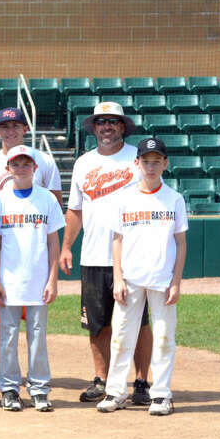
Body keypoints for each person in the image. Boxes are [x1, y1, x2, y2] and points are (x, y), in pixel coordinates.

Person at [60, 102, 154, 405]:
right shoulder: (84, 163)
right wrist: (66, 246)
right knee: (97, 323)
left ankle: (141, 381)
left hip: (133, 256)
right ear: (94, 127)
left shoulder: (136, 159)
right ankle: (102, 378)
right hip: (93, 255)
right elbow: (75, 209)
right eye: (101, 122)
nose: (107, 127)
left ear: (123, 126)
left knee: (138, 323)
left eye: (113, 121)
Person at [0, 107, 62, 389]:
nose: (10, 131)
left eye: (16, 125)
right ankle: (5, 370)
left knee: (34, 320)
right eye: (4, 126)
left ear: (25, 128)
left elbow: (55, 204)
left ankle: (34, 377)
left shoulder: (45, 161)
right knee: (0, 318)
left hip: (33, 249)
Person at [97, 137, 186, 416]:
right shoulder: (124, 198)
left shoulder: (174, 199)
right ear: (137, 163)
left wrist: (176, 281)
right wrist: (118, 278)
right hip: (131, 278)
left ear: (165, 164)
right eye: (146, 161)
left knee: (163, 336)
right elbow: (117, 239)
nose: (151, 166)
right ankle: (116, 392)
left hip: (162, 279)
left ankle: (160, 394)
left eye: (156, 161)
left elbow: (181, 242)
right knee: (122, 336)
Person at [0, 145, 63, 413]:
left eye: (26, 163)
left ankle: (39, 389)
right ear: (7, 169)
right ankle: (9, 388)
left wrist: (53, 279)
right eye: (15, 164)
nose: (21, 168)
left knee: (38, 335)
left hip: (38, 279)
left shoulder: (47, 199)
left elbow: (53, 241)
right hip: (9, 279)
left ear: (35, 168)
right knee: (7, 335)